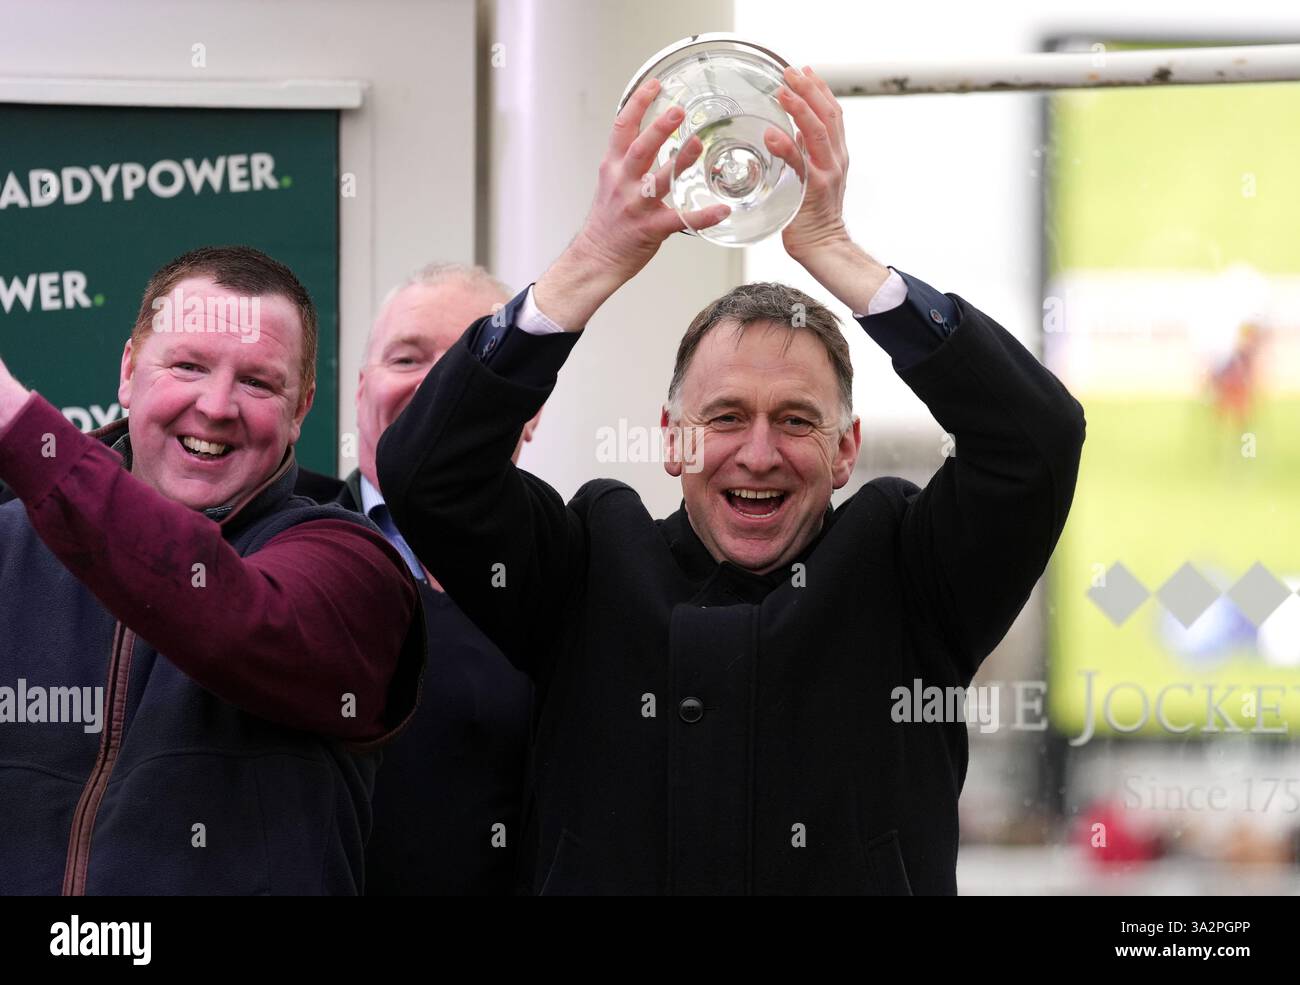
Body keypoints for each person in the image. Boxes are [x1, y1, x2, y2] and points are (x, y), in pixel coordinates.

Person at [378, 68, 1086, 894]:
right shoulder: (586, 563)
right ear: (672, 438)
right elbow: (425, 469)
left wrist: (840, 256)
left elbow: (1037, 439)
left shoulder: (909, 568)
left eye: (795, 419)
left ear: (848, 448)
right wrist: (593, 261)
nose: (757, 453)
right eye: (723, 418)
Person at [0, 245, 424, 895]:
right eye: (189, 365)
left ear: (301, 408)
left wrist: (17, 424)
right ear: (127, 370)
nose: (218, 405)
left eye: (257, 381)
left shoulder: (351, 562)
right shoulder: (9, 544)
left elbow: (233, 618)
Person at [297, 263, 534, 895]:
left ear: (529, 409)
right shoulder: (277, 543)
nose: (438, 386)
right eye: (408, 358)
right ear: (360, 390)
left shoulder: (577, 576)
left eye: (471, 361)